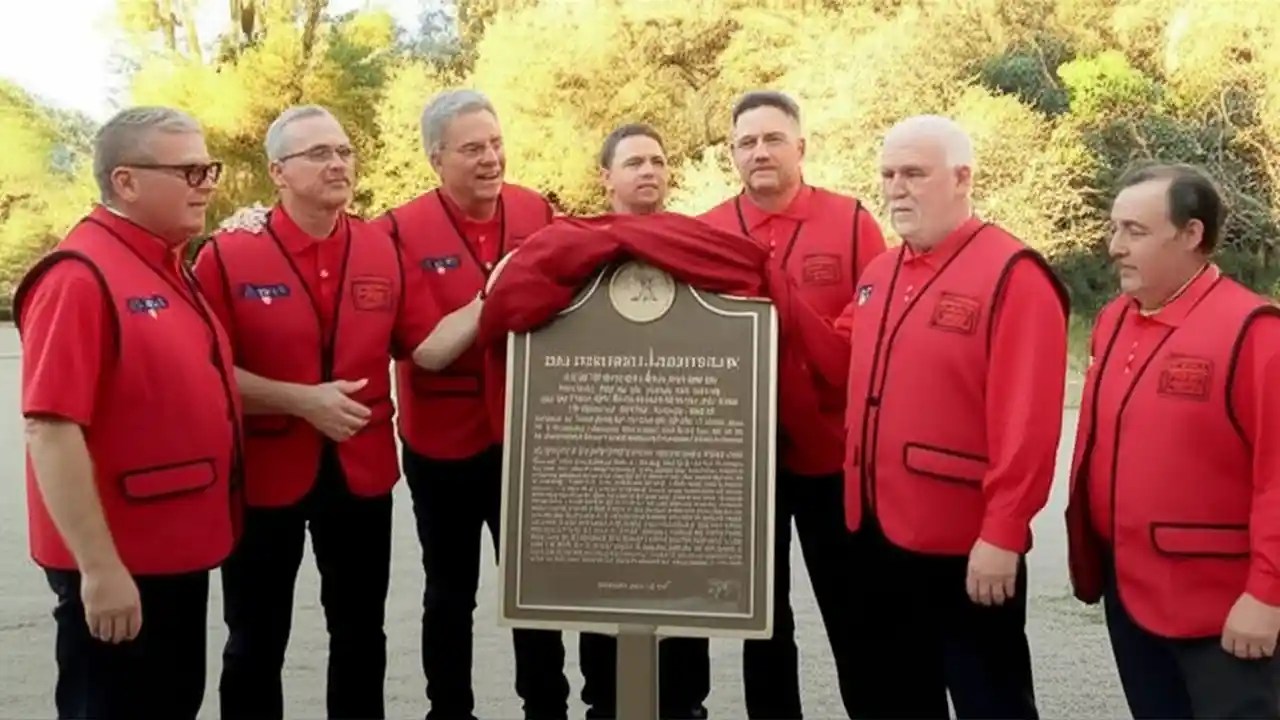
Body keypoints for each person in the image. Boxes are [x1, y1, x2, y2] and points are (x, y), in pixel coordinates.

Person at [192, 105, 442, 720]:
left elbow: (425, 345)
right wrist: (301, 401)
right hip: (263, 478)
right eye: (318, 154)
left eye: (344, 151)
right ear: (278, 172)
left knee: (361, 634)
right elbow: (202, 372)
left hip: (361, 474)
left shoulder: (383, 248)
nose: (338, 163)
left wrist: (500, 296)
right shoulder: (227, 255)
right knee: (255, 638)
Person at [13, 106, 241, 720]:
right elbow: (51, 428)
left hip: (171, 549)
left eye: (207, 168)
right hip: (124, 563)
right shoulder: (79, 276)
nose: (208, 184)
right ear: (126, 181)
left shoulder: (160, 261)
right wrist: (100, 569)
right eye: (189, 171)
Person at [841, 114, 1068, 719]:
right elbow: (837, 362)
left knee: (988, 698)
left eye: (914, 173)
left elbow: (1029, 424)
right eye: (888, 174)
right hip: (875, 531)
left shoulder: (1014, 274)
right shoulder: (879, 273)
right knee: (897, 696)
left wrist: (1003, 533)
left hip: (964, 545)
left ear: (962, 177)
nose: (896, 188)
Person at [378, 89, 570, 720]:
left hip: (526, 437)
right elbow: (428, 351)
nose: (491, 158)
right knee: (449, 592)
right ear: (437, 158)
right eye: (471, 149)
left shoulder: (536, 207)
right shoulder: (397, 230)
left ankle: (547, 706)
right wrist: (498, 293)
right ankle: (448, 709)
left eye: (495, 143)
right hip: (443, 442)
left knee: (534, 591)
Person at [1065, 163, 1280, 719]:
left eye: (1135, 231)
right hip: (1129, 590)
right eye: (1114, 229)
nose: (1115, 247)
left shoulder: (1254, 332)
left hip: (1223, 606)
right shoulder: (1113, 321)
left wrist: (1267, 594)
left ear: (1192, 235)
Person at [699, 90, 886, 719]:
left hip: (831, 454)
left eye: (772, 139)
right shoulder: (707, 230)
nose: (759, 152)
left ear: (801, 147)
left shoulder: (853, 220)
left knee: (853, 613)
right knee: (763, 623)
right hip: (744, 458)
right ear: (732, 155)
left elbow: (868, 330)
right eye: (745, 143)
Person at [574, 122, 710, 720]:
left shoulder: (697, 243)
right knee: (602, 607)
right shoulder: (574, 246)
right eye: (633, 162)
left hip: (681, 459)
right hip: (601, 460)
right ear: (606, 177)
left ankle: (686, 709)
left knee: (683, 611)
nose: (649, 170)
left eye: (657, 160)